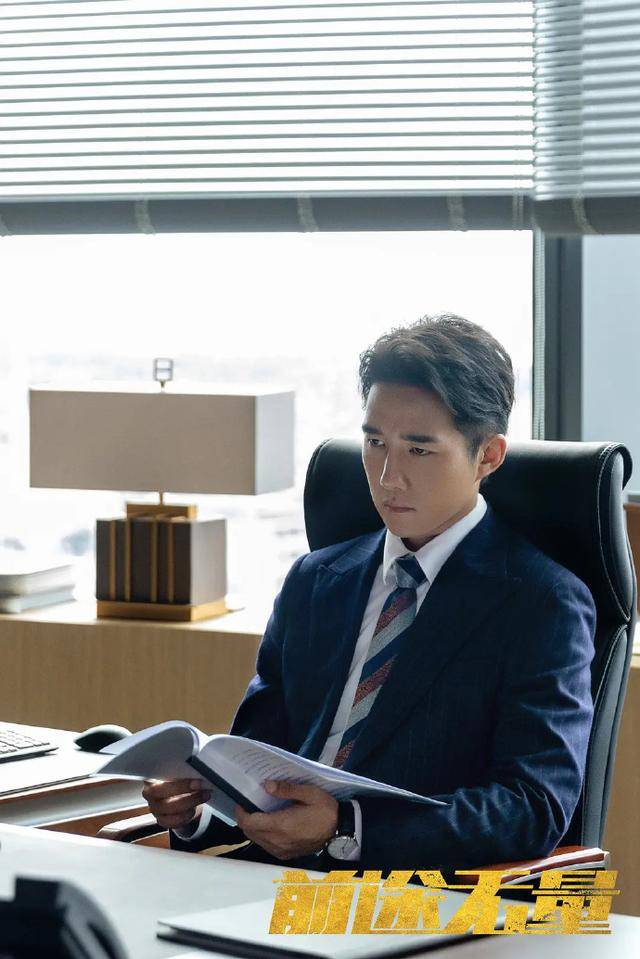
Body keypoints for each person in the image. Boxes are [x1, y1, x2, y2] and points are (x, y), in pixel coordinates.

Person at [143, 314, 595, 872]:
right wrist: (198, 809)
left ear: (488, 456)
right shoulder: (315, 580)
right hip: (269, 878)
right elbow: (255, 762)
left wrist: (346, 829)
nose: (387, 477)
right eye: (375, 443)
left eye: (418, 450)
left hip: (413, 893)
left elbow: (532, 807)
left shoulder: (542, 603)